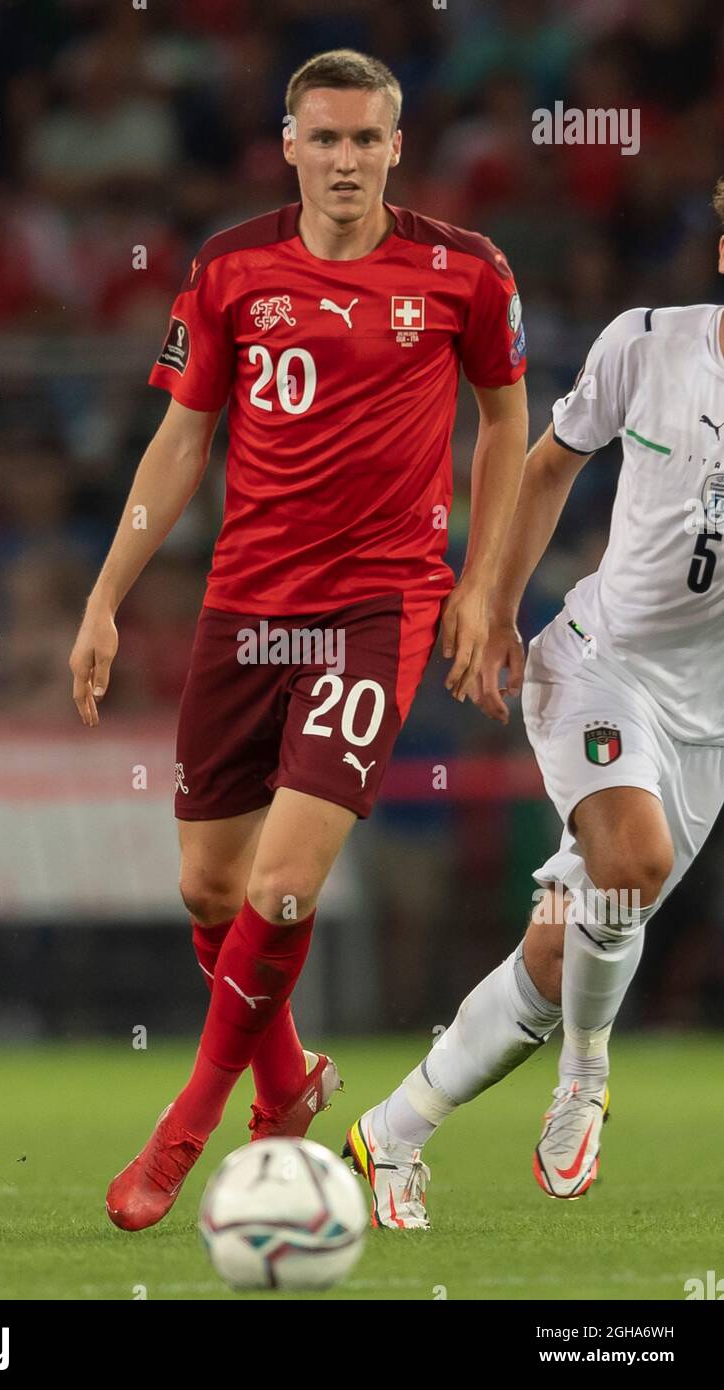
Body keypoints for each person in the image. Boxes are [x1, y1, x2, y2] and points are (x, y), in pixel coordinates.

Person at [68, 48, 528, 1232]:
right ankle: (292, 1075)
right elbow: (179, 443)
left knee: (279, 882)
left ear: (394, 145)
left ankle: (198, 1128)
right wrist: (106, 594)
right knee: (209, 885)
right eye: (322, 139)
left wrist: (481, 586)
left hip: (376, 610)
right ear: (287, 143)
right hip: (244, 609)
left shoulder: (462, 273)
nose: (344, 160)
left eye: (365, 139)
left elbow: (503, 416)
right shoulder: (228, 268)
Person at [346, 177, 724, 1227]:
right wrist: (490, 604)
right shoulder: (643, 345)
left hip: (706, 723)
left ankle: (388, 1133)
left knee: (558, 957)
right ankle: (587, 1080)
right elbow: (550, 461)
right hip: (594, 659)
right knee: (632, 860)